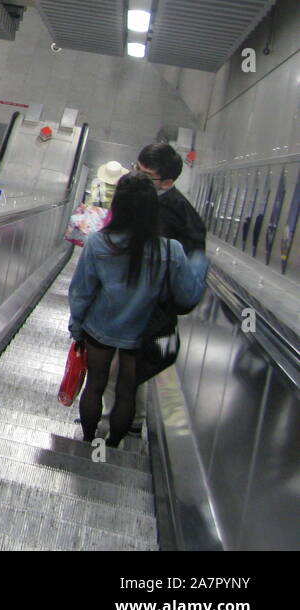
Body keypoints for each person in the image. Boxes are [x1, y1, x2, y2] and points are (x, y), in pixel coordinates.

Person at [69, 173, 208, 446]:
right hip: (142, 333)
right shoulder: (170, 249)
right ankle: (113, 445)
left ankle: (87, 440)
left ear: (118, 205)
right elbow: (186, 295)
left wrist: (76, 326)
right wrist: (200, 263)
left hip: (100, 327)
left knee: (94, 384)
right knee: (127, 392)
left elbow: (81, 291)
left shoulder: (99, 242)